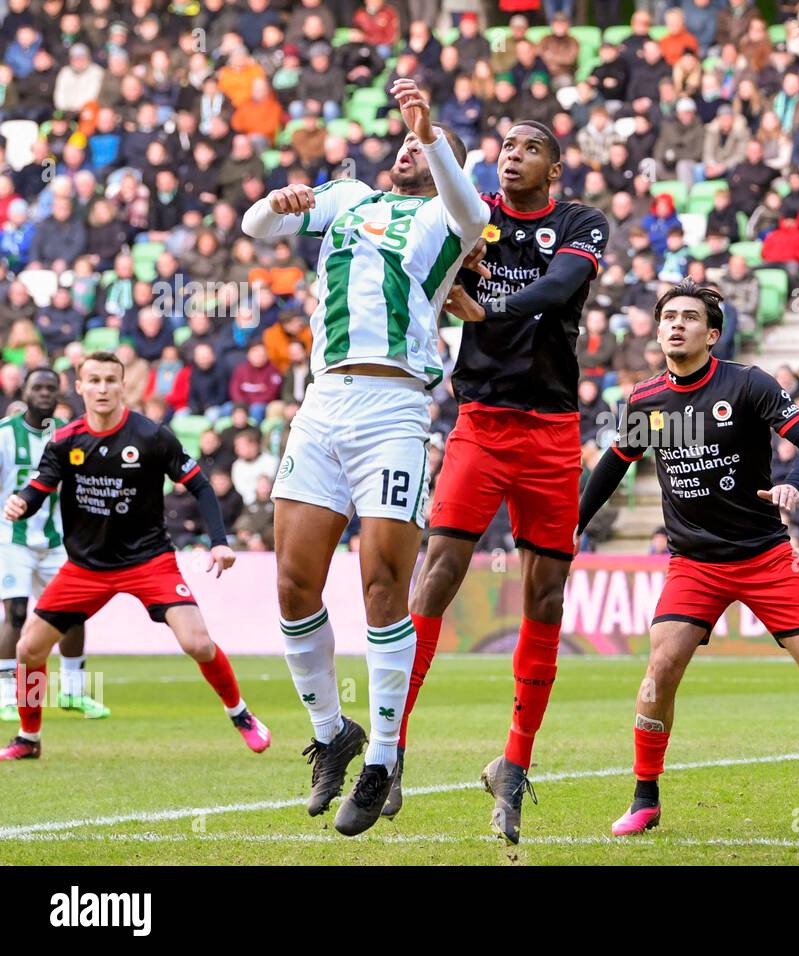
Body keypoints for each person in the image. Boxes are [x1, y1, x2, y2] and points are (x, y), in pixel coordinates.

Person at [576, 280, 799, 835]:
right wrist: (575, 523)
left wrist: (793, 484)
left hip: (765, 554)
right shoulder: (646, 400)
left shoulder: (747, 384)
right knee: (660, 670)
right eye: (668, 316)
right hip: (693, 562)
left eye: (689, 317)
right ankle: (645, 798)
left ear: (712, 334)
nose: (676, 325)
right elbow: (614, 465)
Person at [240, 78, 490, 835]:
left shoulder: (452, 217)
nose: (412, 146)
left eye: (430, 143)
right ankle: (331, 735)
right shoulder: (349, 199)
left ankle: (383, 757)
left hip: (393, 409)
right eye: (408, 140)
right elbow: (258, 231)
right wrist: (277, 202)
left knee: (383, 584)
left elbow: (471, 209)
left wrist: (433, 131)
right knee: (291, 582)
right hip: (323, 404)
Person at [401, 118, 610, 845]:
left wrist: (489, 307)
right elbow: (416, 256)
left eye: (528, 149)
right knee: (438, 574)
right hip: (481, 423)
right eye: (505, 148)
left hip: (552, 432)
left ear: (554, 166)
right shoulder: (473, 219)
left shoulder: (582, 223)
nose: (512, 157)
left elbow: (560, 288)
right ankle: (389, 748)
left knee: (547, 595)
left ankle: (513, 764)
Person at [0, 353, 268, 762]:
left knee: (196, 642)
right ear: (80, 386)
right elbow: (39, 488)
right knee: (28, 649)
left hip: (149, 562)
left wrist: (218, 540)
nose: (103, 388)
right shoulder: (65, 440)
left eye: (111, 380)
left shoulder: (152, 436)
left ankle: (241, 714)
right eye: (94, 380)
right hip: (85, 567)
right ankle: (29, 737)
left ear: (124, 386)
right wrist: (22, 503)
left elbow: (201, 487)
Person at [0, 368, 109, 723]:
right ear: (24, 391)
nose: (45, 393)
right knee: (16, 614)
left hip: (59, 539)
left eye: (51, 388)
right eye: (38, 387)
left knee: (73, 613)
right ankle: (7, 695)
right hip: (12, 538)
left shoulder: (70, 434)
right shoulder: (4, 434)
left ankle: (73, 692)